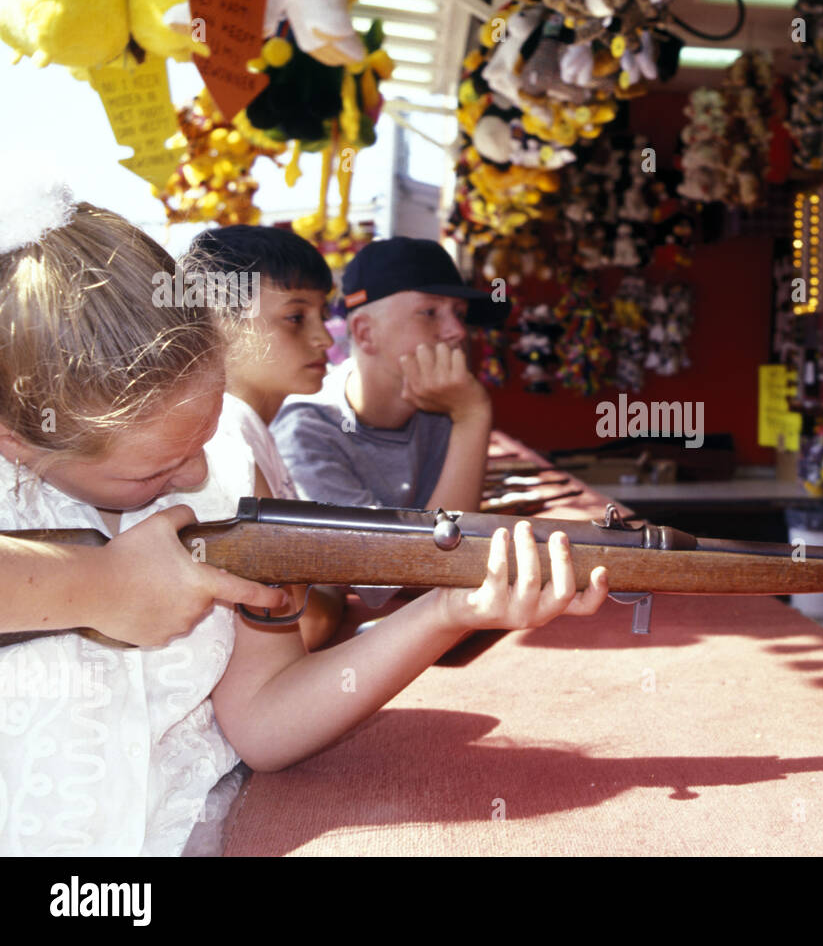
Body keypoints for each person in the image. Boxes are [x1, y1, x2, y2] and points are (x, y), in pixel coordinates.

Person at [0, 195, 607, 855]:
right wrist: (100, 585)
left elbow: (263, 724)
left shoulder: (231, 470)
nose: (199, 474)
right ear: (19, 444)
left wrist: (446, 612)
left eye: (203, 436)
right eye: (156, 469)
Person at [181, 224, 345, 651]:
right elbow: (302, 623)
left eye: (322, 314)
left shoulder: (243, 426)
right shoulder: (225, 438)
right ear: (218, 324)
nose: (324, 337)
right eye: (296, 317)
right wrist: (329, 589)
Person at [271, 236, 507, 513]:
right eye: (430, 312)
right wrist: (472, 417)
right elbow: (423, 554)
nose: (457, 331)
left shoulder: (443, 404)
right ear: (365, 333)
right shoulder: (307, 433)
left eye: (459, 314)